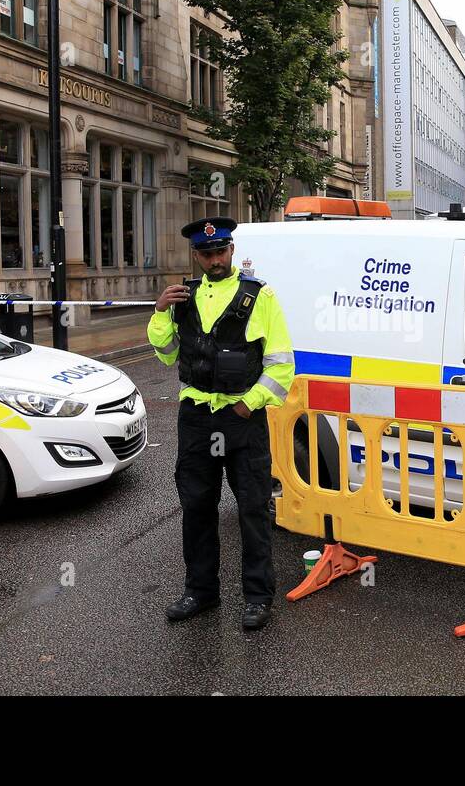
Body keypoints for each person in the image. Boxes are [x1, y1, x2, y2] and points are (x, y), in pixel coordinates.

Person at [147, 216, 295, 631]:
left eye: (220, 251)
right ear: (197, 256)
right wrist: (160, 313)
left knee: (252, 507)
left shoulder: (259, 296)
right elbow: (165, 354)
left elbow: (281, 364)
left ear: (231, 251)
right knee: (196, 505)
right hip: (196, 416)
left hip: (241, 417)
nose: (214, 259)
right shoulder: (182, 298)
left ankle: (258, 597)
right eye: (206, 253)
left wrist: (249, 405)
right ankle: (200, 591)